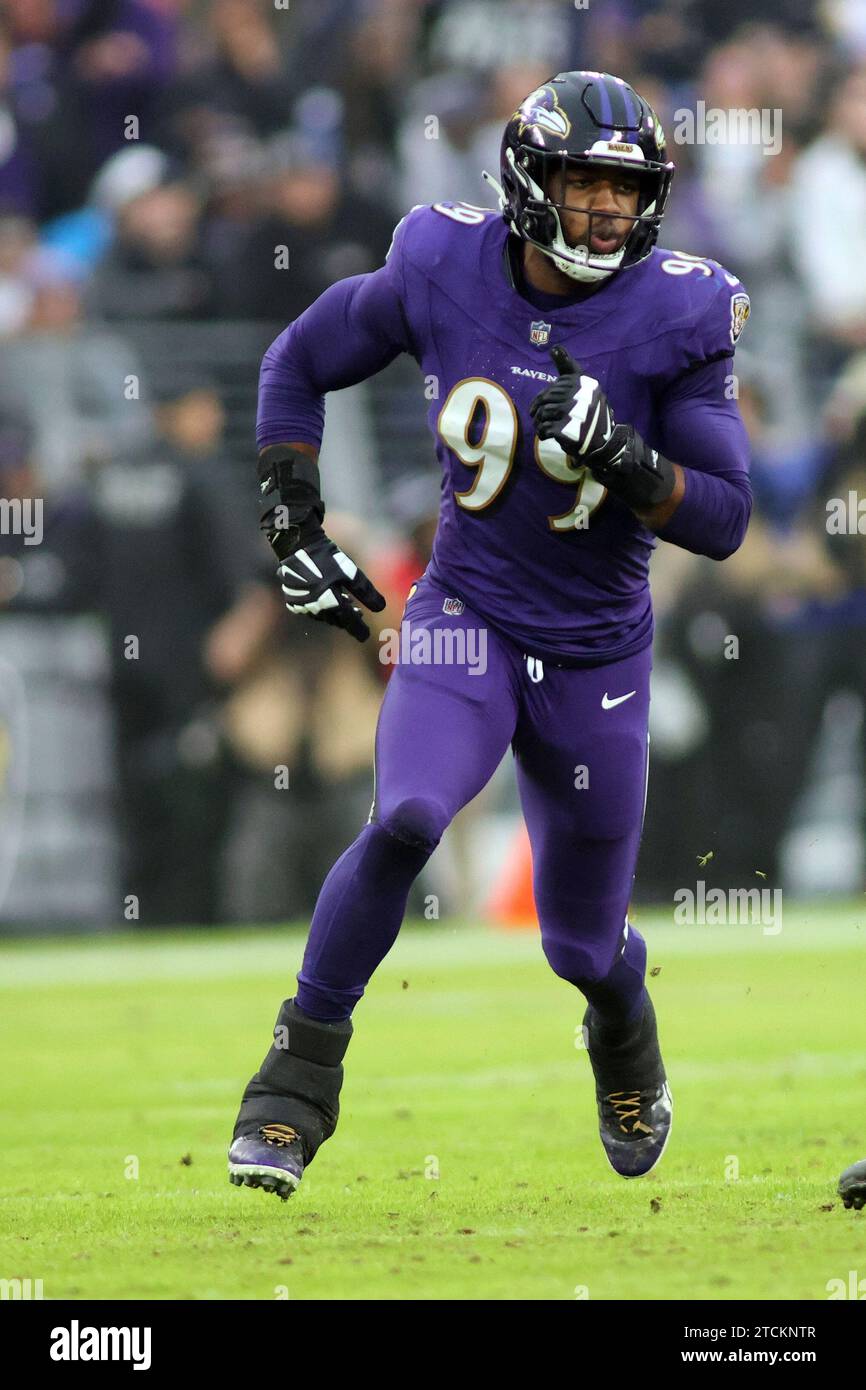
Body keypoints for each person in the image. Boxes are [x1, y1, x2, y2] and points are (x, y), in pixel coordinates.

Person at [227, 71, 752, 1199]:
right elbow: (296, 363)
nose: (608, 210)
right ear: (528, 180)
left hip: (597, 650)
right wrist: (291, 515)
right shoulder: (438, 262)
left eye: (626, 189)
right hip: (465, 616)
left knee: (578, 944)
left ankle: (623, 1023)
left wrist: (625, 457)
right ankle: (291, 1083)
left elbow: (723, 515)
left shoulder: (679, 310)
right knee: (409, 815)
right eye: (584, 183)